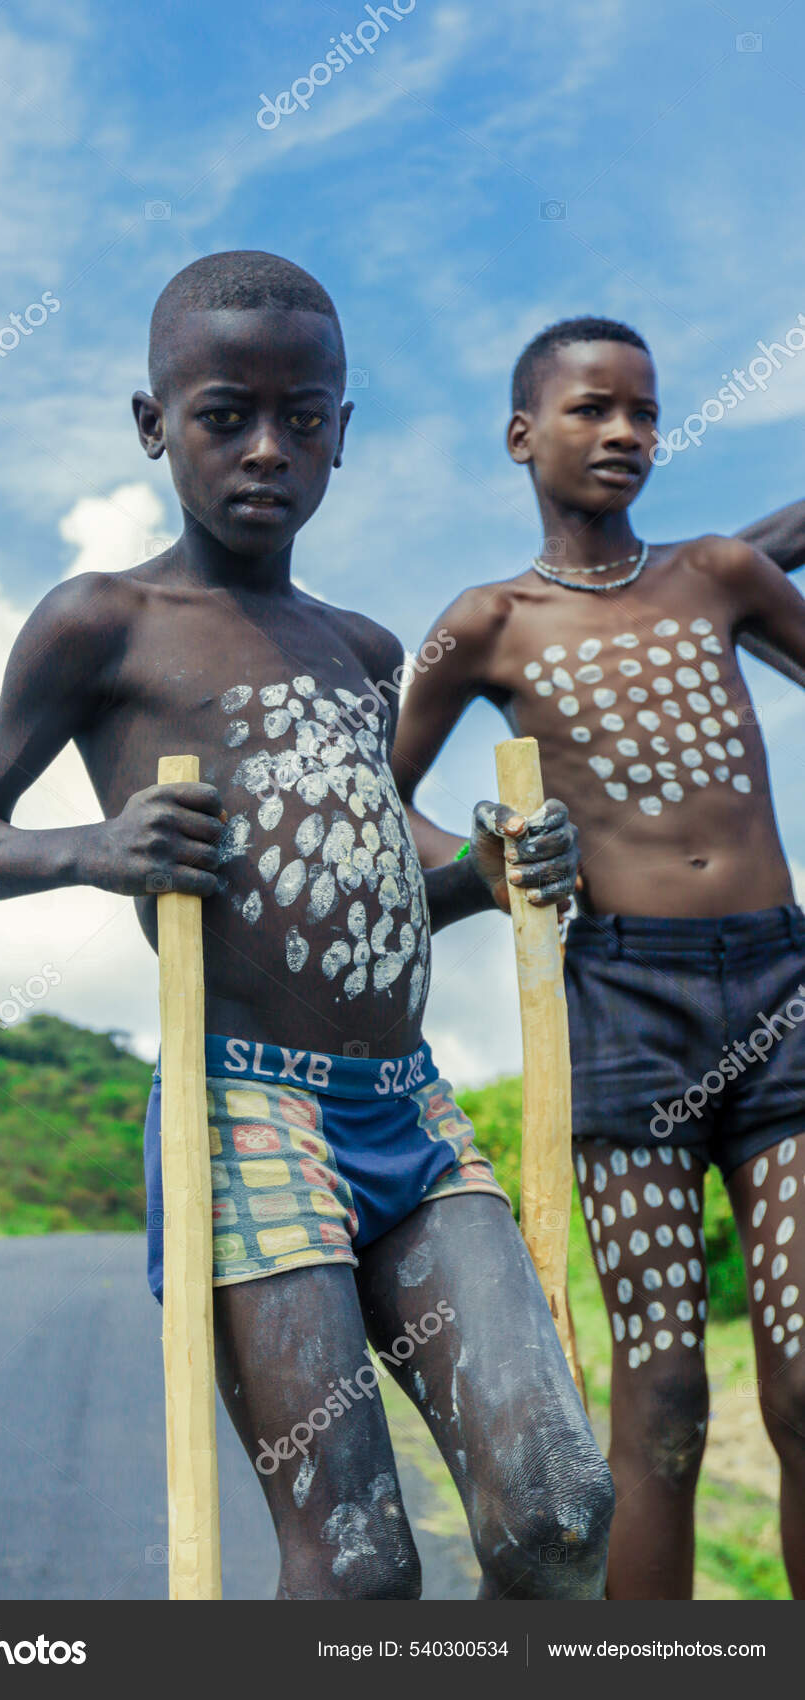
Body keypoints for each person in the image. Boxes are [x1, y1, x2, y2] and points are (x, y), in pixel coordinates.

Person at [0, 256, 614, 1601]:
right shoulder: (101, 623)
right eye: (222, 414)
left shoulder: (358, 648)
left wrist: (490, 865)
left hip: (406, 1114)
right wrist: (93, 849)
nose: (264, 451)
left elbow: (381, 861)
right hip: (243, 1113)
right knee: (355, 1569)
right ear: (150, 423)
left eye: (303, 420)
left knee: (556, 1513)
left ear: (342, 433)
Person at [393, 315, 805, 1599]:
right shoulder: (485, 625)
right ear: (522, 434)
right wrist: (487, 854)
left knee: (801, 1373)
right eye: (589, 409)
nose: (623, 430)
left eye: (640, 410)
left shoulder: (722, 572)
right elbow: (373, 806)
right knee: (666, 1381)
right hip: (621, 1001)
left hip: (782, 987)